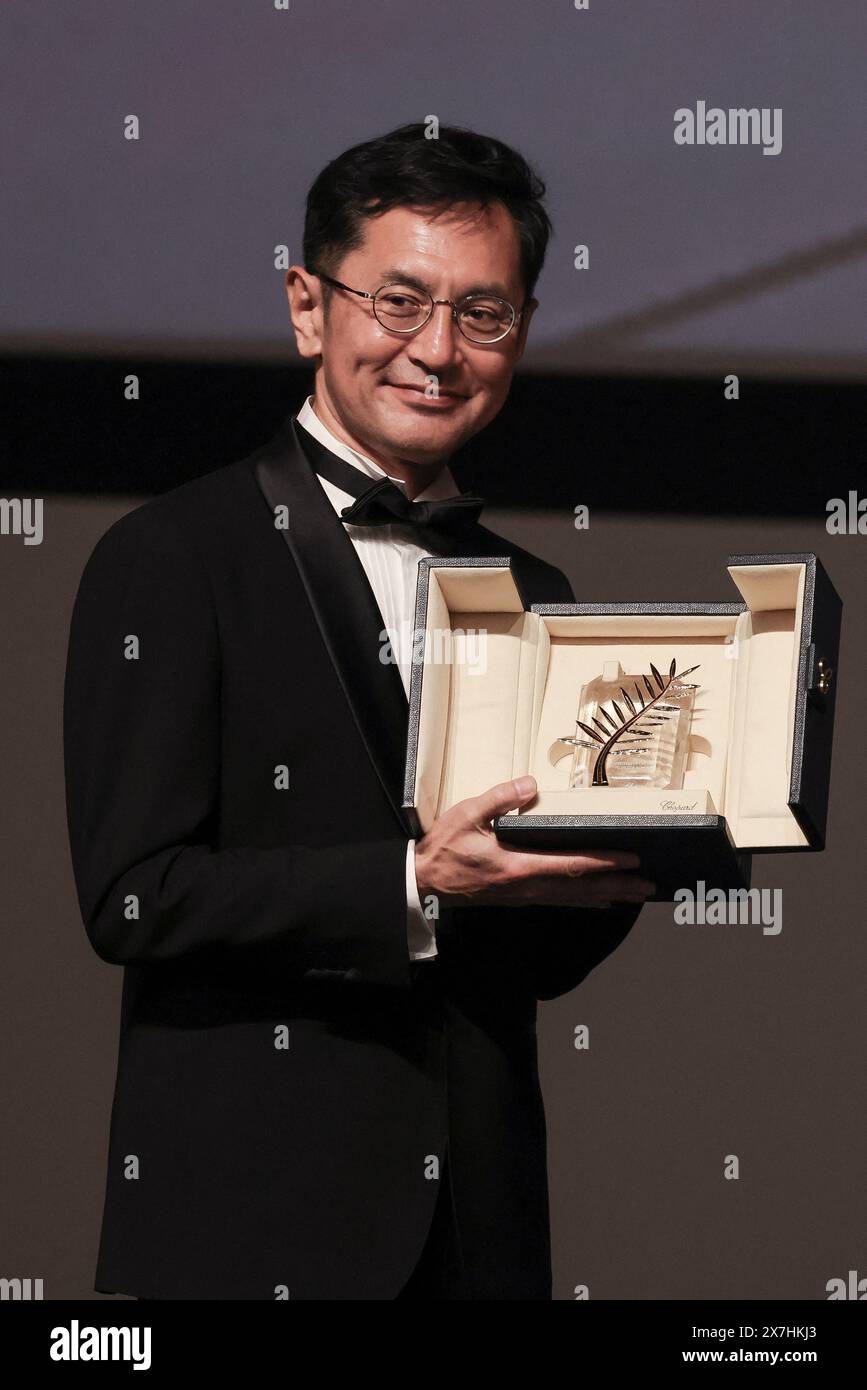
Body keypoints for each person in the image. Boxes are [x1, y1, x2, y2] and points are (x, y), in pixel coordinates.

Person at [63, 122, 655, 1301]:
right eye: (399, 302)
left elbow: (533, 957)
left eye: (483, 313)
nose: (437, 349)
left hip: (478, 1234)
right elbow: (134, 894)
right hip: (246, 1232)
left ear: (524, 330)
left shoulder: (537, 592)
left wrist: (649, 842)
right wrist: (411, 882)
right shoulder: (173, 555)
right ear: (307, 306)